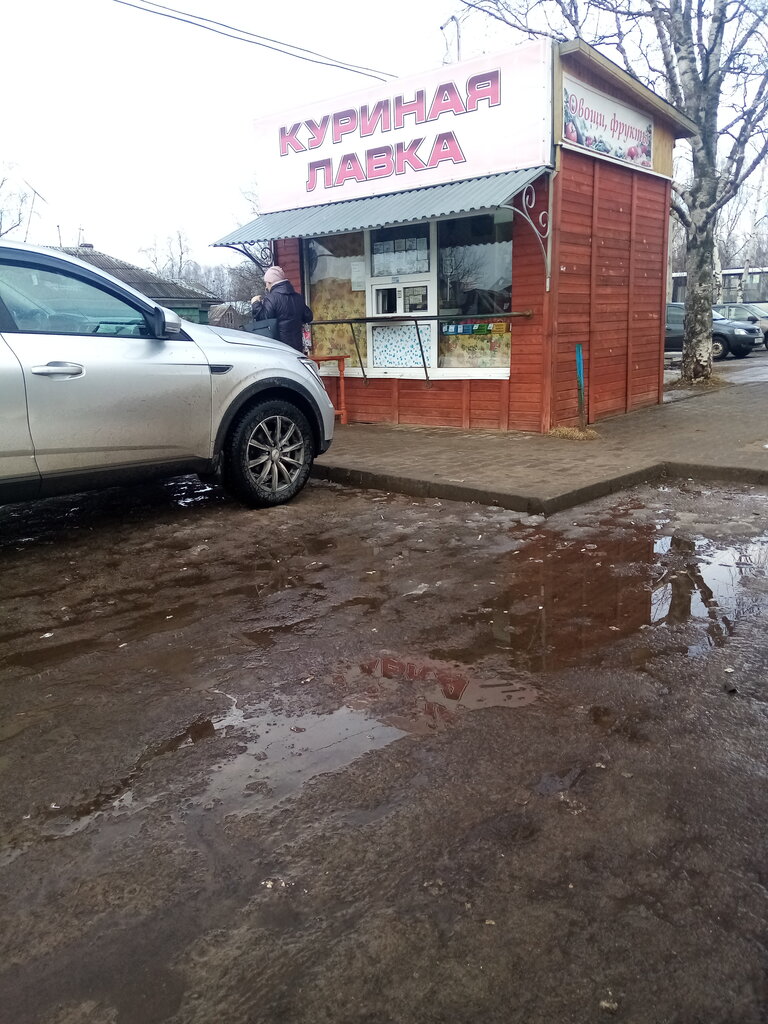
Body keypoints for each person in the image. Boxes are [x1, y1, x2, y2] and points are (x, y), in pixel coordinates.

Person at [251, 266, 313, 353]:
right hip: (297, 348)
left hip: (280, 348)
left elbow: (263, 321)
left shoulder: (271, 298)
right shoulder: (298, 297)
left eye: (266, 283)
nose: (266, 286)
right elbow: (308, 317)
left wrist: (255, 303)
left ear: (270, 282)